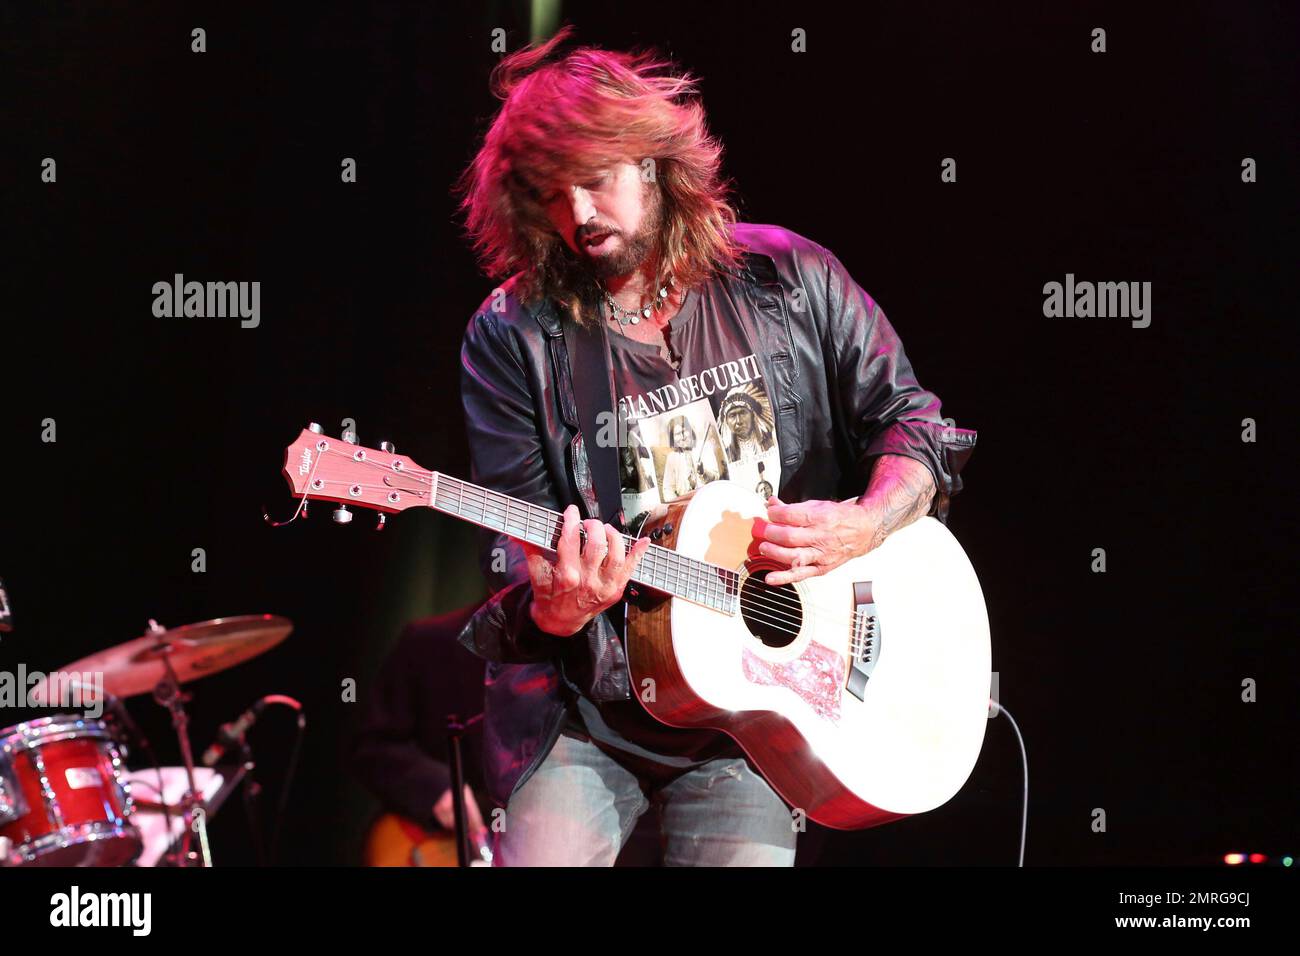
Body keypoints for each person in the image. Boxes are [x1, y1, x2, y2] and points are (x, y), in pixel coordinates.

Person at [452, 27, 977, 866]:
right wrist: (555, 605)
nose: (578, 214)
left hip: (755, 716)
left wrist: (866, 523)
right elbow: (518, 547)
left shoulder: (788, 280)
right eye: (552, 194)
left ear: (655, 161)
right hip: (584, 711)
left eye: (595, 180)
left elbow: (915, 423)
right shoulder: (513, 335)